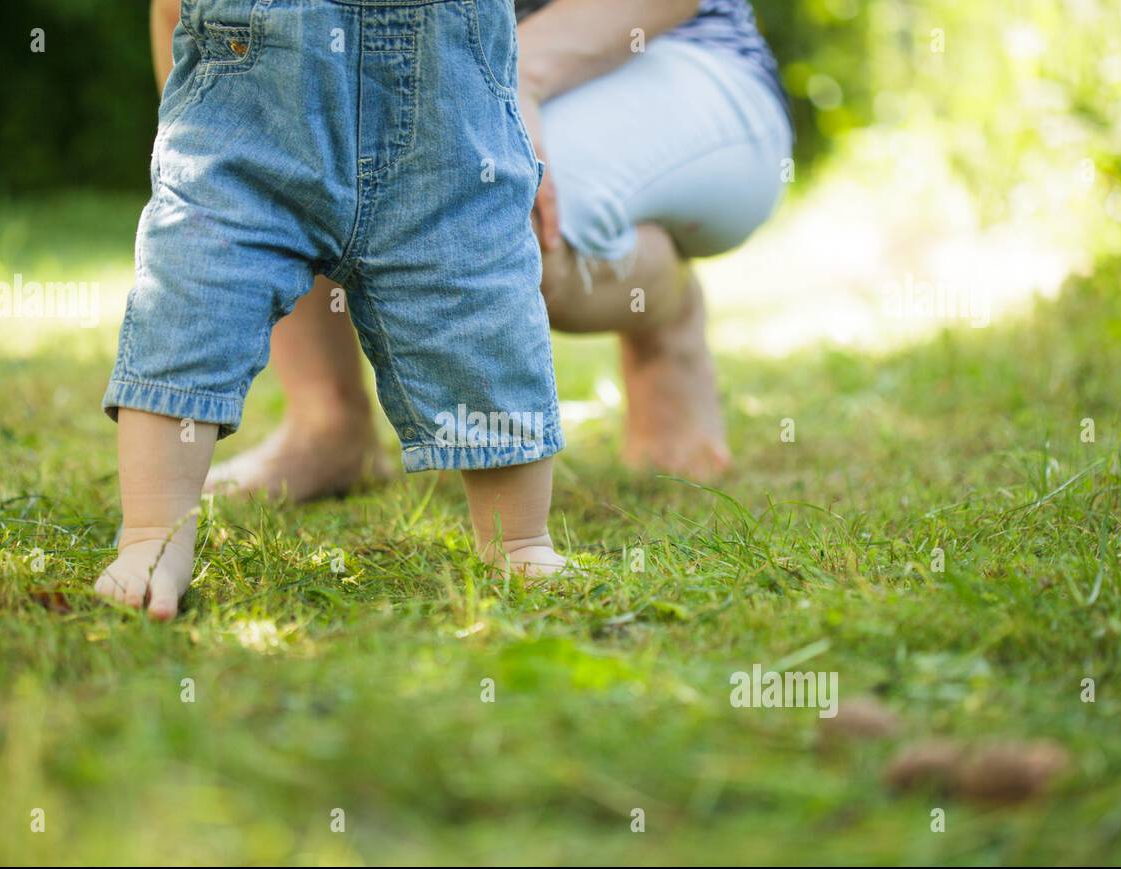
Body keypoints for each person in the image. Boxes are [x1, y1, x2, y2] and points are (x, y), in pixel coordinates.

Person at [182, 0, 793, 502]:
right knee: (313, 124)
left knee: (489, 229)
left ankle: (666, 312)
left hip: (673, 52)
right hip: (445, 64)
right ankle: (328, 421)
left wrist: (510, 78)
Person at [97, 0, 568, 618]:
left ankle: (517, 538)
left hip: (446, 114)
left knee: (481, 311)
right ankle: (151, 533)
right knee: (192, 295)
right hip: (250, 108)